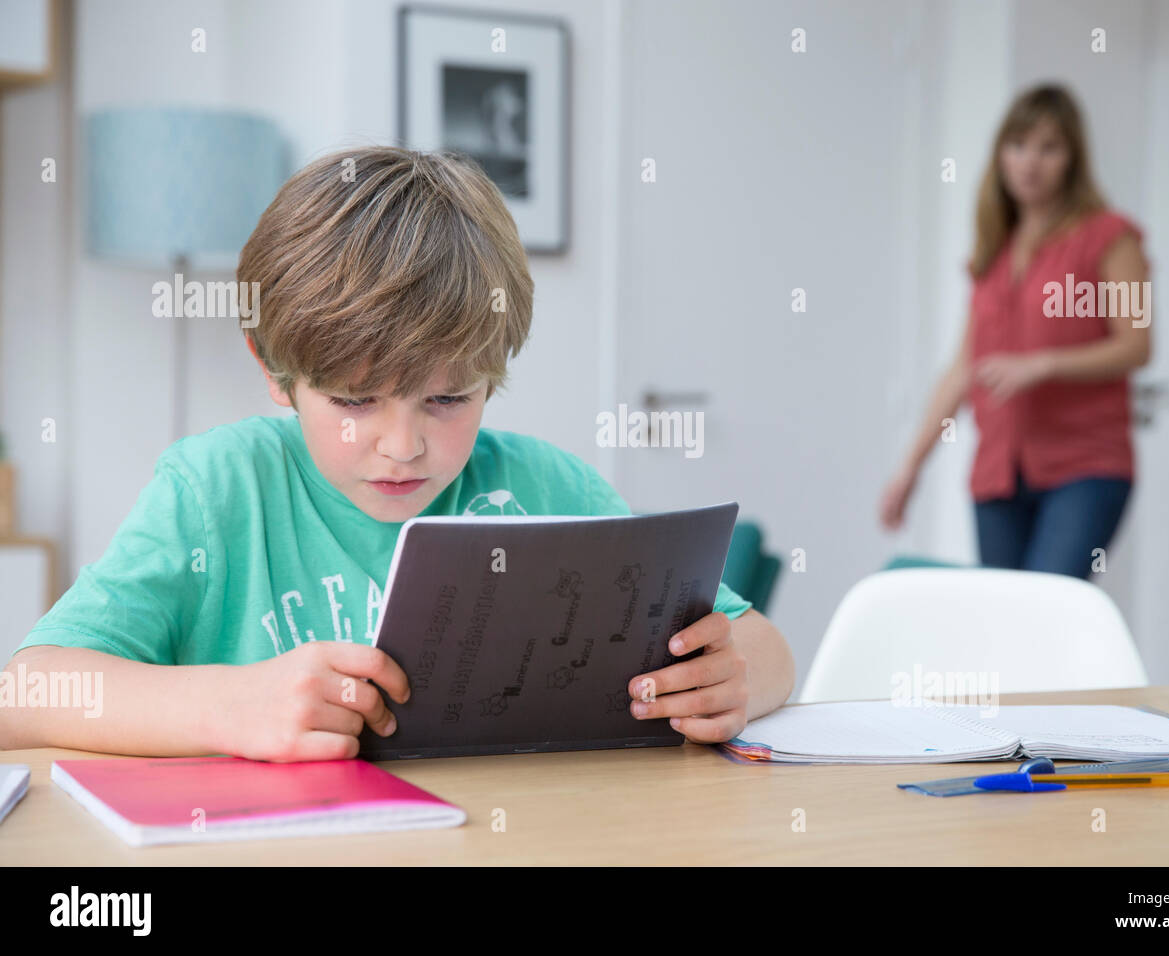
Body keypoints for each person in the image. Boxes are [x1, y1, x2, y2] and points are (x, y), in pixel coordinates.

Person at [1, 147, 795, 759]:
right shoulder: (215, 492)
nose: (402, 444)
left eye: (449, 399)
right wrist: (226, 704)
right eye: (353, 401)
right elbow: (24, 694)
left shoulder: (552, 488)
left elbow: (764, 645)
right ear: (275, 372)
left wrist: (736, 679)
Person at [879, 84, 1152, 578]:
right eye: (1019, 145)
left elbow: (1137, 345)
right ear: (1001, 153)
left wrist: (1044, 365)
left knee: (1047, 609)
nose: (1031, 162)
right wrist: (910, 469)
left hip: (1085, 465)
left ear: (1073, 158)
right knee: (1006, 626)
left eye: (1050, 148)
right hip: (999, 474)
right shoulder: (994, 251)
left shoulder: (1111, 238)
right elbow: (963, 368)